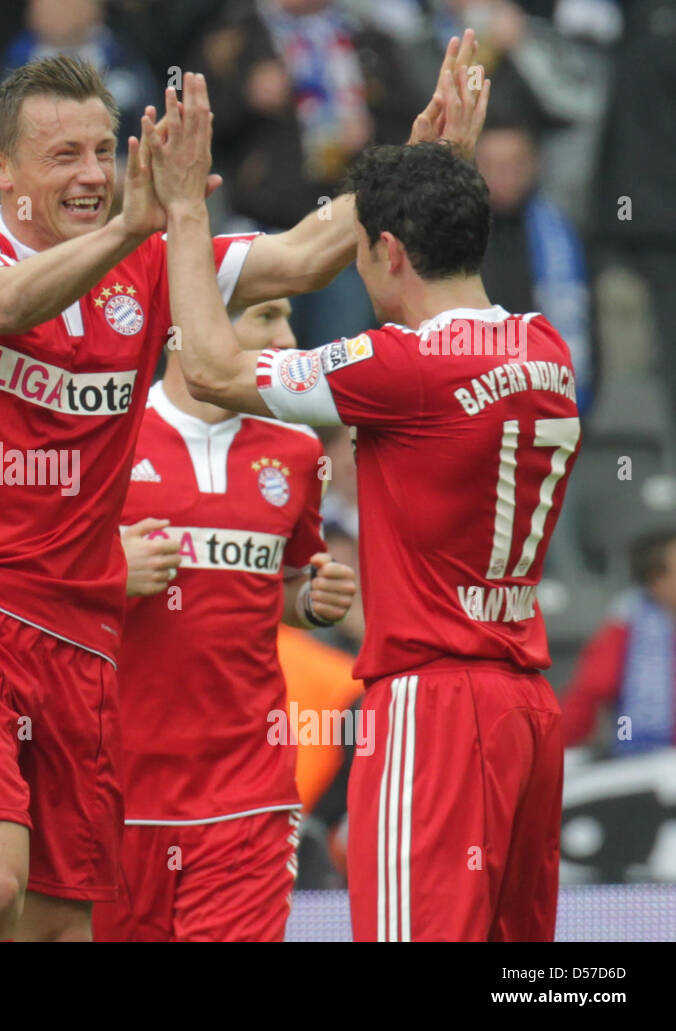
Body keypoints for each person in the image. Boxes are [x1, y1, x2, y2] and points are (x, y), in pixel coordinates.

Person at [0, 45, 476, 942]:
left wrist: (415, 172)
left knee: (60, 923)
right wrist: (131, 229)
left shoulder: (147, 261)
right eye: (62, 155)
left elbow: (304, 257)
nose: (90, 174)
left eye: (101, 151)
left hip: (79, 638)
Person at [148, 60, 585, 942]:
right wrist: (435, 169)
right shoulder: (547, 349)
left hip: (433, 702)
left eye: (364, 253)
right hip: (528, 707)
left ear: (389, 252)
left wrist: (187, 209)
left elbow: (211, 366)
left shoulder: (405, 370)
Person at [91, 298, 357, 941]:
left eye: (288, 317)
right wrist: (107, 574)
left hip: (248, 790)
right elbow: (24, 589)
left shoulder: (297, 451)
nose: (289, 337)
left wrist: (311, 600)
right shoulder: (101, 436)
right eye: (264, 317)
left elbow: (288, 584)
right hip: (115, 791)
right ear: (190, 319)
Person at [560, 529, 676, 755]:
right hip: (648, 760)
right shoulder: (626, 626)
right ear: (656, 581)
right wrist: (552, 751)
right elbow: (590, 692)